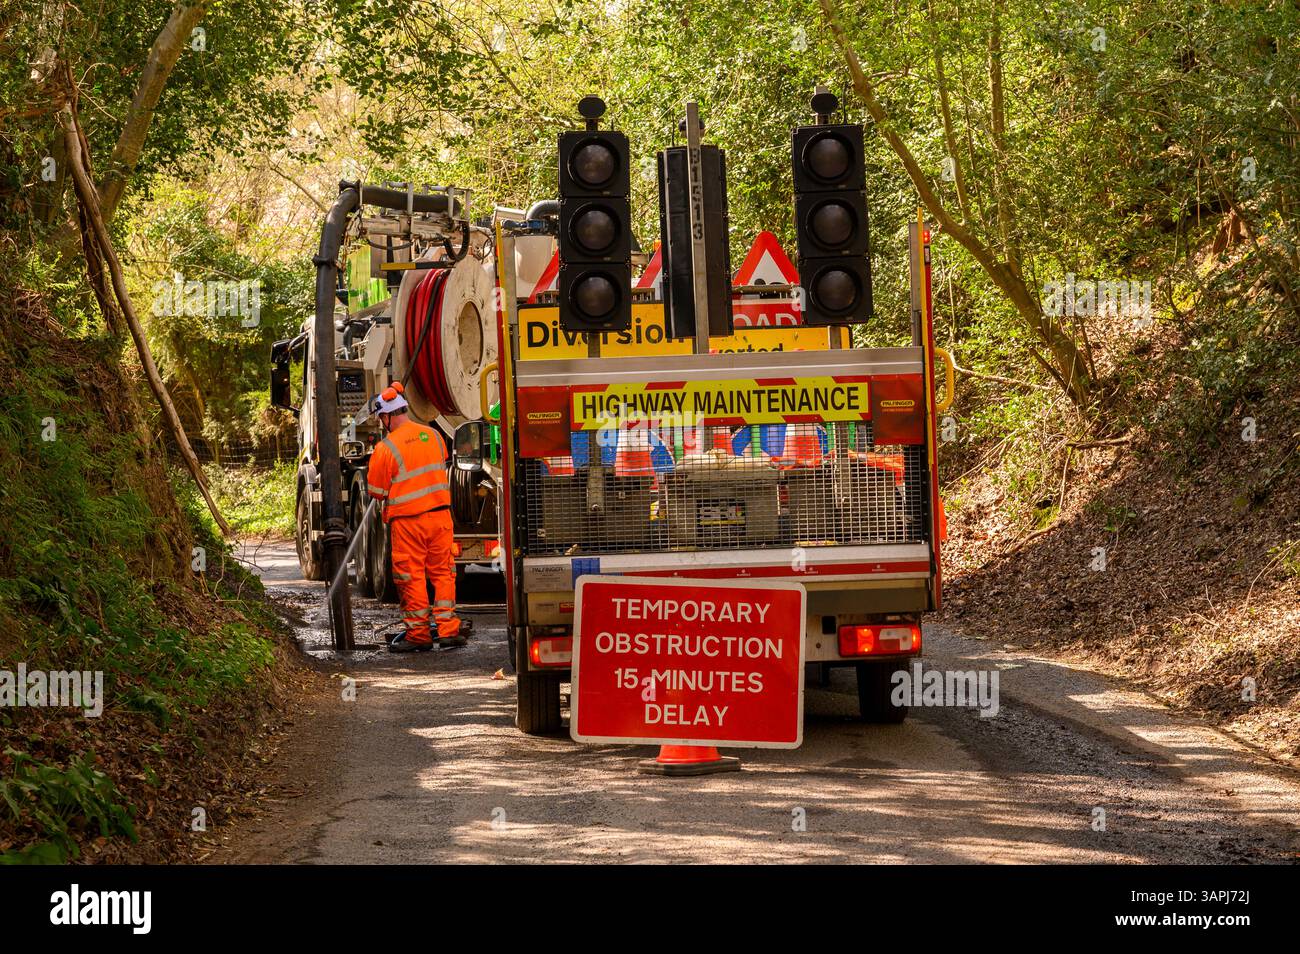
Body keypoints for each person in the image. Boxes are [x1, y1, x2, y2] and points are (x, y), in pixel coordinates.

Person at [366, 382, 465, 653]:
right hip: (441, 518)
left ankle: (419, 635)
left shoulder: (385, 449)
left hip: (409, 523)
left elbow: (376, 491)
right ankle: (448, 631)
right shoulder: (433, 436)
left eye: (381, 418)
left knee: (411, 578)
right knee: (443, 574)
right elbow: (439, 467)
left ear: (386, 417)